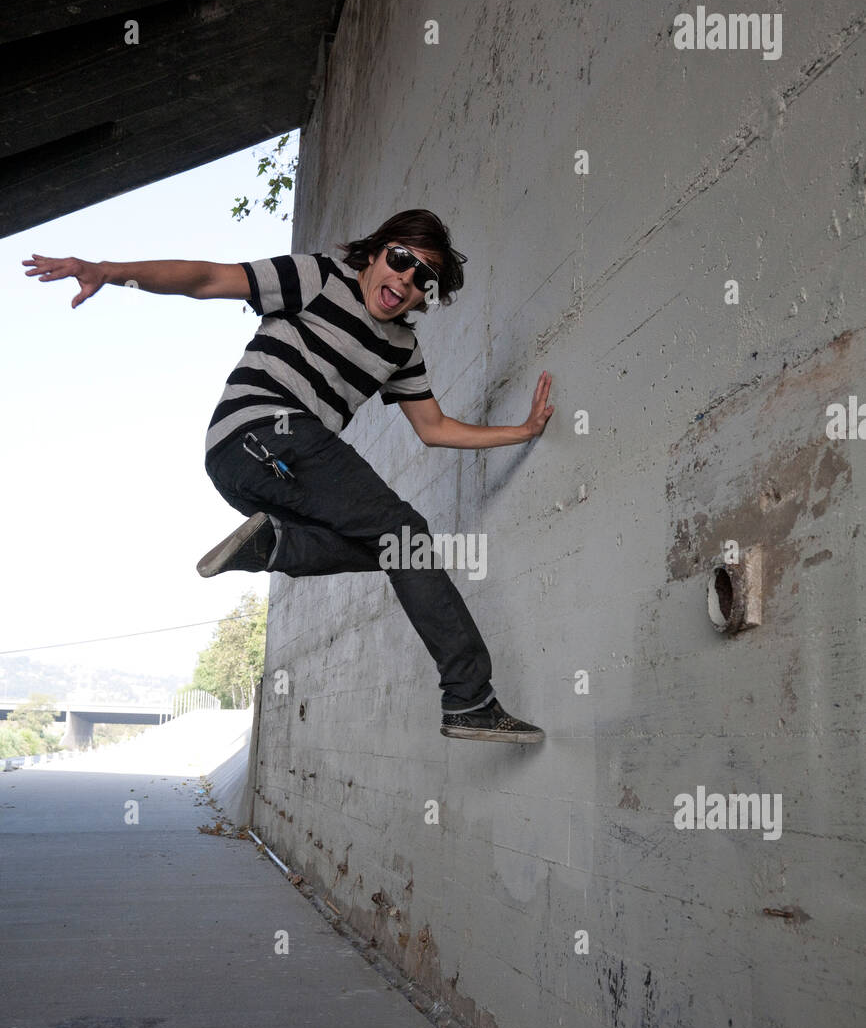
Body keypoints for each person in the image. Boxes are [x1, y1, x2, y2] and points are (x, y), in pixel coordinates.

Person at [23, 209, 554, 742]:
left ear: (427, 296)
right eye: (400, 261)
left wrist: (523, 431)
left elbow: (435, 428)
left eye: (423, 280)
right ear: (375, 253)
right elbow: (210, 278)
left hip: (245, 471)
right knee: (407, 536)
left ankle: (274, 545)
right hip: (265, 432)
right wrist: (108, 270)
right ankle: (470, 701)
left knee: (403, 552)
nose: (405, 281)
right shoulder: (319, 277)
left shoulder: (402, 349)